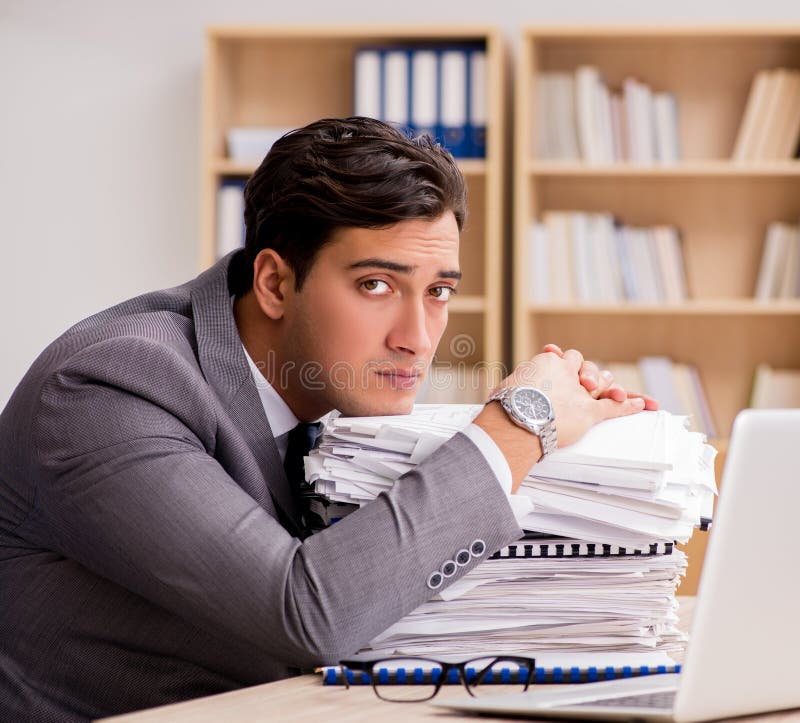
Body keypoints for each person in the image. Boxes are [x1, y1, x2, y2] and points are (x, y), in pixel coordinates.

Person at [0, 117, 654, 721]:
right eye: (376, 285)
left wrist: (582, 449)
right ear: (276, 285)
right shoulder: (108, 389)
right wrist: (521, 422)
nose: (418, 337)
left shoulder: (334, 396)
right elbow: (306, 607)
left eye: (439, 291)